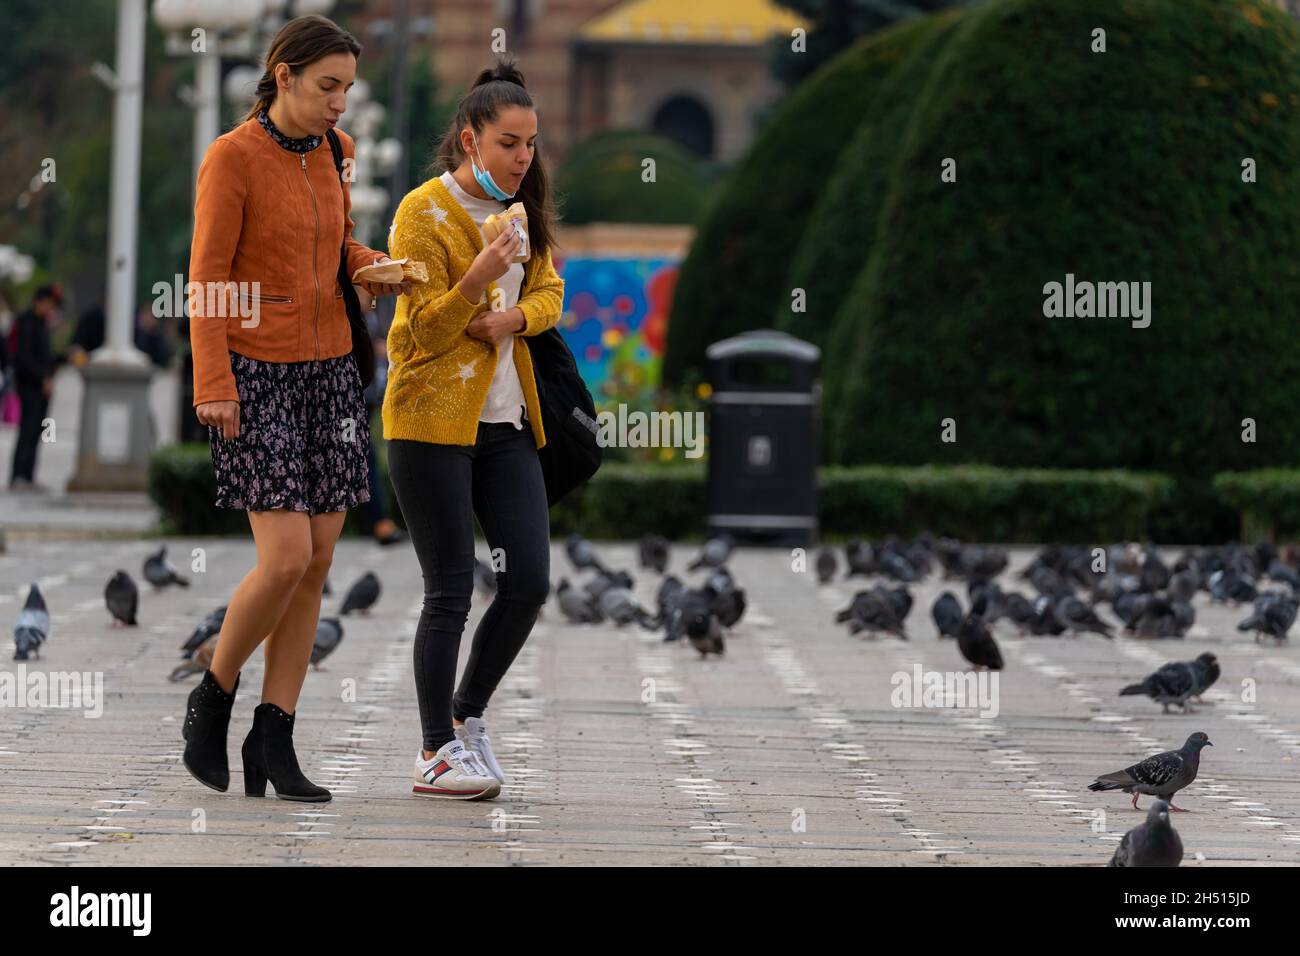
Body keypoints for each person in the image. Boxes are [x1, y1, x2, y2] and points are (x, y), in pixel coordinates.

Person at [181, 14, 408, 803]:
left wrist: (373, 263)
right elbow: (206, 276)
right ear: (283, 76)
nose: (339, 103)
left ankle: (273, 739)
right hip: (252, 371)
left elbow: (333, 246)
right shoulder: (231, 158)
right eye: (326, 87)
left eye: (347, 88)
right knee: (280, 559)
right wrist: (213, 383)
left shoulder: (338, 155)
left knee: (315, 565)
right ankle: (212, 697)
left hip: (331, 372)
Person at [384, 55, 564, 800]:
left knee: (527, 578)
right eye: (509, 144)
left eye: (529, 144)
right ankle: (433, 751)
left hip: (506, 425)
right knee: (450, 588)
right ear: (470, 141)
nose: (523, 159)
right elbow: (416, 337)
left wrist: (516, 314)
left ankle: (466, 716)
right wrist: (475, 278)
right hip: (429, 423)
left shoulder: (524, 210)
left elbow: (551, 293)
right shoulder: (421, 213)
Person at [8, 283, 62, 493]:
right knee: (27, 431)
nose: (52, 308)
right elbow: (24, 357)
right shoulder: (27, 322)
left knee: (37, 432)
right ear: (41, 301)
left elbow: (45, 357)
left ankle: (28, 476)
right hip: (30, 386)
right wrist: (42, 379)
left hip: (41, 387)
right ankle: (18, 476)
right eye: (51, 303)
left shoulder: (42, 324)